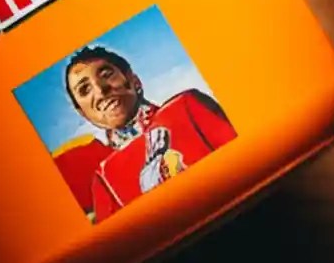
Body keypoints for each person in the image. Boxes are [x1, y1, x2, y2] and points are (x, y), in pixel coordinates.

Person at [52, 45, 236, 222]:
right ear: (84, 113)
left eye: (106, 75)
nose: (100, 90)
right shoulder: (105, 180)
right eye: (85, 90)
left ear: (134, 80)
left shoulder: (187, 107)